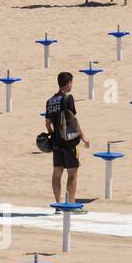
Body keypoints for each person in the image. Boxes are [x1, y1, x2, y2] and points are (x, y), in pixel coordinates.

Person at [44, 71, 89, 208]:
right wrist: (83, 137)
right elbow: (73, 121)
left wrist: (53, 136)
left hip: (56, 142)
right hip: (69, 142)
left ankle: (58, 204)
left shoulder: (50, 101)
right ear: (69, 83)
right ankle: (71, 204)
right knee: (72, 173)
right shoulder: (68, 98)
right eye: (71, 83)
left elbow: (47, 124)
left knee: (57, 173)